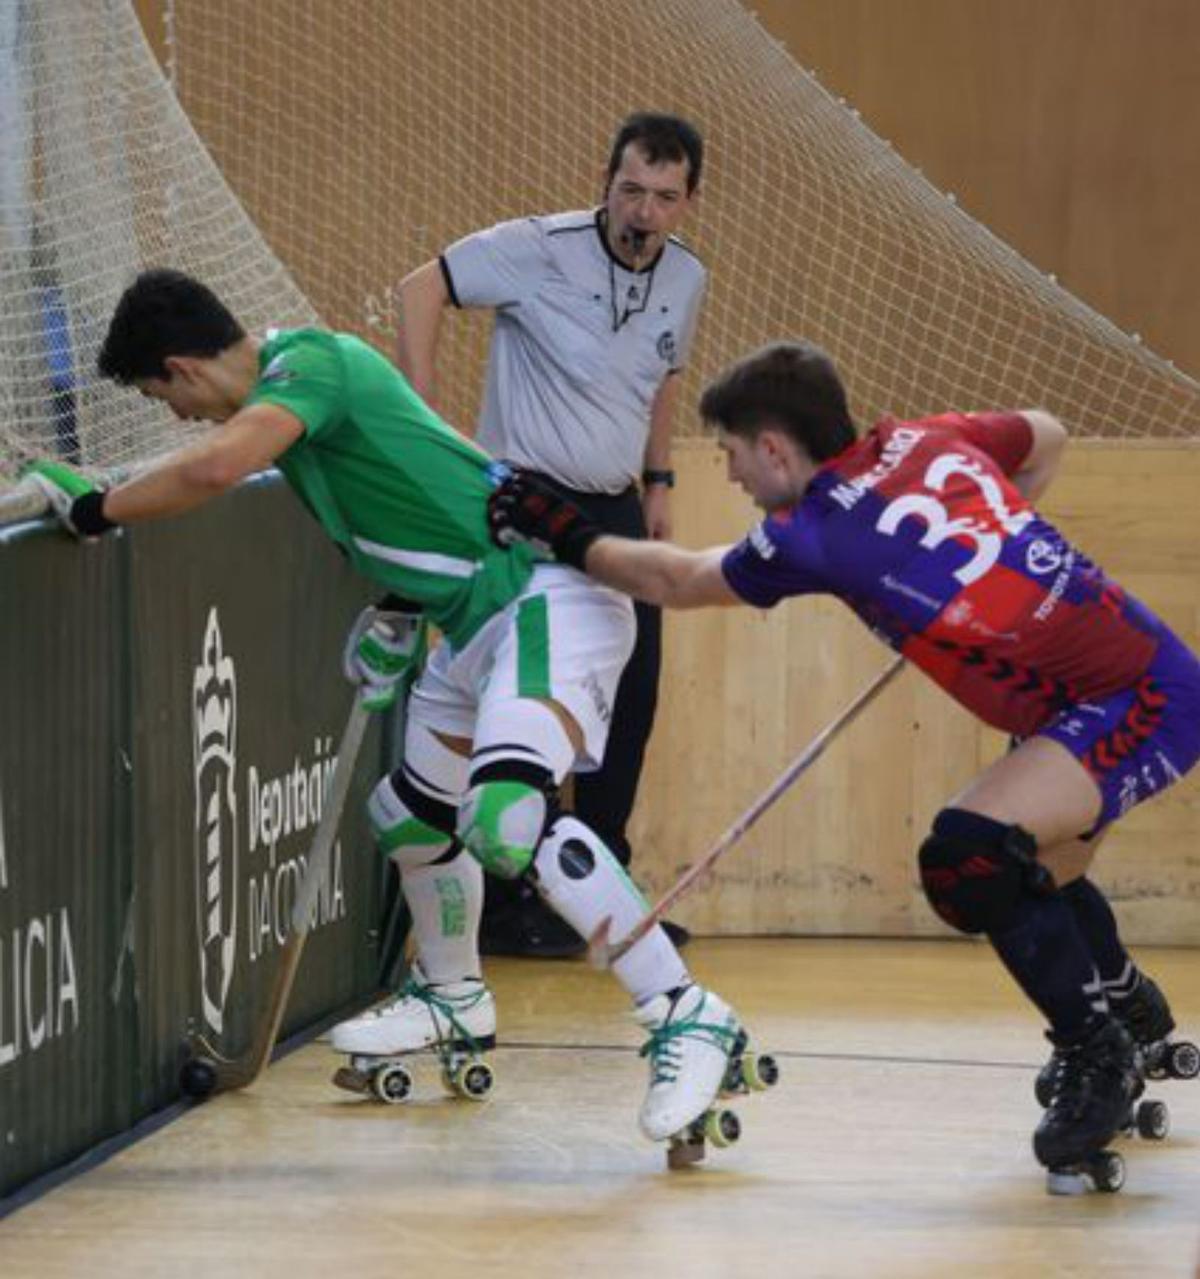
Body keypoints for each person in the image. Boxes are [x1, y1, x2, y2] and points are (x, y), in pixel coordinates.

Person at [27, 267, 751, 1148]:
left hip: (541, 597)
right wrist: (403, 606)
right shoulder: (298, 397)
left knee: (503, 821)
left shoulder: (311, 370)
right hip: (471, 617)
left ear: (181, 368)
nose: (178, 420)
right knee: (408, 813)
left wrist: (97, 509)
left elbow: (215, 467)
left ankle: (686, 1010)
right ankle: (453, 999)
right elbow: (419, 489)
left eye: (162, 398)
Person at [487, 338, 1200, 1181]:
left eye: (735, 455)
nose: (734, 476)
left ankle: (1097, 1056)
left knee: (970, 858)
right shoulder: (929, 439)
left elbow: (677, 581)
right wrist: (996, 540)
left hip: (1138, 700)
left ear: (778, 447)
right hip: (1112, 678)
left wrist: (564, 534)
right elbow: (1047, 433)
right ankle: (1127, 1003)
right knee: (1038, 856)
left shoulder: (815, 531)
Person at [396, 112, 706, 955]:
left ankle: (598, 894)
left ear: (687, 203)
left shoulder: (685, 277)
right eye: (631, 190)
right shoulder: (538, 246)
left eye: (664, 198)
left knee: (629, 694)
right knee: (519, 693)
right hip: (521, 502)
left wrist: (660, 477)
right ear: (605, 183)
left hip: (612, 507)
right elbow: (420, 288)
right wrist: (426, 423)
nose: (644, 211)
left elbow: (664, 376)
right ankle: (503, 902)